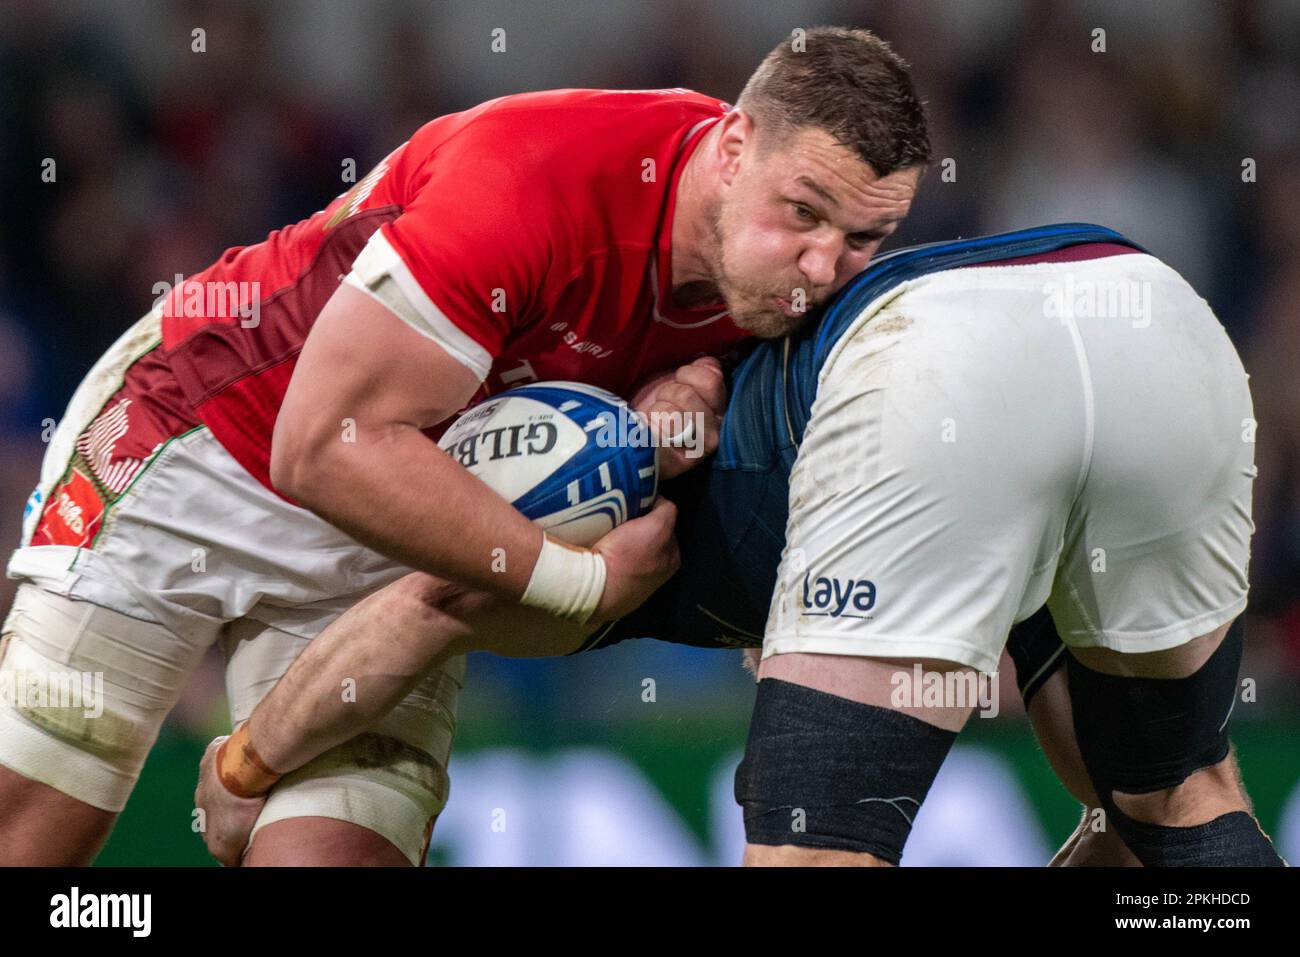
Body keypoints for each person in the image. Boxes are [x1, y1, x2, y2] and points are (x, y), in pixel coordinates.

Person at [0, 27, 929, 866]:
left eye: (864, 238)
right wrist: (582, 583)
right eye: (803, 213)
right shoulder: (534, 178)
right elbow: (321, 447)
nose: (822, 269)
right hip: (200, 439)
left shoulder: (806, 296)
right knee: (34, 833)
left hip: (405, 525)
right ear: (730, 148)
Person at [196, 224, 1283, 868]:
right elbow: (1122, 840)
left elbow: (421, 612)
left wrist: (243, 766)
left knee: (811, 843)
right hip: (1147, 311)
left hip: (938, 372)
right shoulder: (676, 384)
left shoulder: (570, 509)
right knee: (1173, 801)